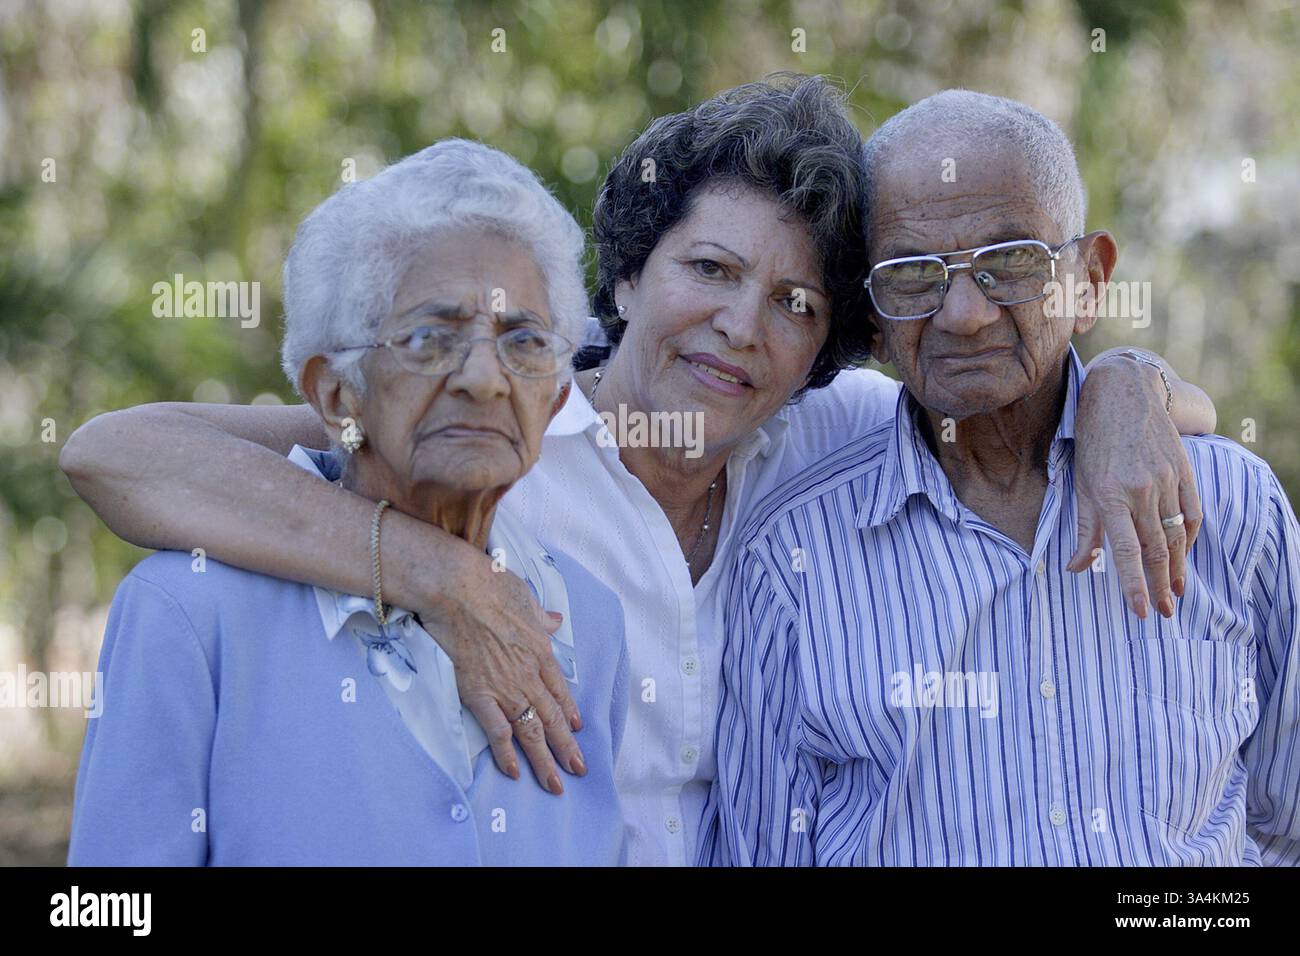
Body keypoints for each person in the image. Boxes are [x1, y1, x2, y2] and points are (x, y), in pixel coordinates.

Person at [61, 75, 1218, 866]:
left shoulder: (838, 436)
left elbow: (1077, 390)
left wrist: (1124, 386)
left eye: (793, 302)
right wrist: (438, 573)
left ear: (827, 345)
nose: (738, 328)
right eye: (706, 269)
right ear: (622, 276)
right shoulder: (486, 428)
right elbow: (113, 453)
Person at [705, 90, 1299, 866]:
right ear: (874, 319)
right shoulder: (793, 560)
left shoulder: (1233, 506)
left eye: (1010, 262)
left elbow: (1285, 823)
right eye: (914, 274)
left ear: (1088, 280)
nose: (963, 314)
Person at [67, 140, 627, 866]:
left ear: (553, 399)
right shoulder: (191, 613)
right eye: (431, 338)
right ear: (337, 394)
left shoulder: (591, 620)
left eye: (523, 341)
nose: (486, 378)